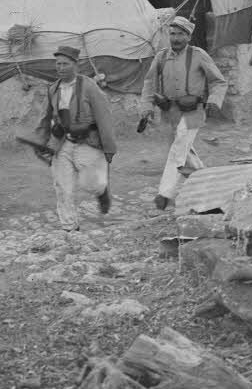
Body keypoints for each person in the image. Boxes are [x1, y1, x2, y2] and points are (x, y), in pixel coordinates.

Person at [139, 15, 228, 212]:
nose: (176, 38)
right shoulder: (161, 57)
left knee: (178, 150)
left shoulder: (199, 55)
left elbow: (218, 81)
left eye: (180, 34)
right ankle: (209, 188)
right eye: (172, 34)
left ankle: (164, 194)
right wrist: (146, 107)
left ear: (188, 37)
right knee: (185, 155)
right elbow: (149, 83)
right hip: (170, 114)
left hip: (192, 113)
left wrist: (214, 101)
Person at [35, 45, 117, 232]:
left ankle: (102, 192)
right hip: (62, 144)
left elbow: (104, 117)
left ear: (75, 64)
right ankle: (70, 228)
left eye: (65, 64)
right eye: (58, 64)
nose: (61, 68)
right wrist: (41, 142)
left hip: (88, 142)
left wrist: (109, 147)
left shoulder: (89, 87)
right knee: (63, 187)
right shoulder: (53, 89)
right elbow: (44, 118)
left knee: (92, 184)